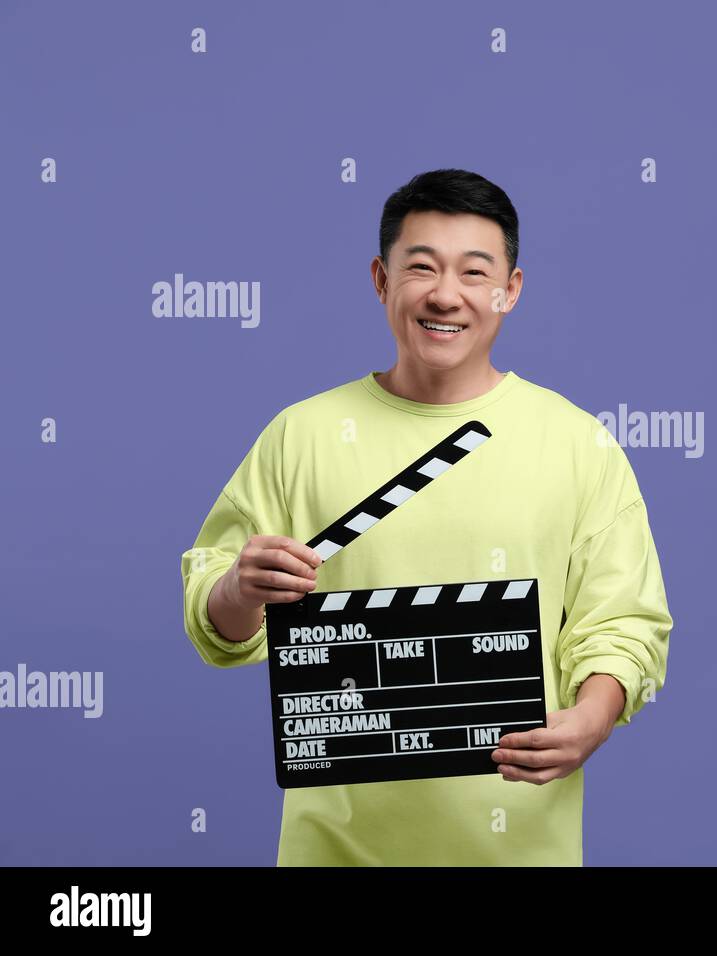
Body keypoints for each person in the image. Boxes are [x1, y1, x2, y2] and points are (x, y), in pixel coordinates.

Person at [179, 168, 673, 866]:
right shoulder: (302, 436)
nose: (446, 294)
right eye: (421, 267)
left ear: (512, 290)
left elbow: (624, 622)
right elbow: (218, 623)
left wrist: (592, 718)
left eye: (475, 272)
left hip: (523, 847)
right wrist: (240, 588)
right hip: (334, 849)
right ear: (382, 280)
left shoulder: (579, 445)